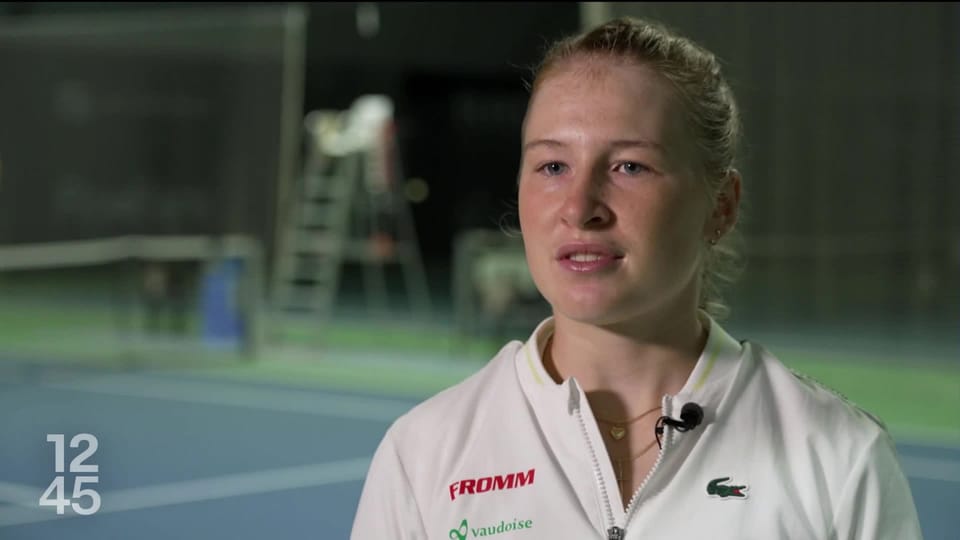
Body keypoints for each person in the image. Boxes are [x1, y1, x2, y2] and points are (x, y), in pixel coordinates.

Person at [351, 17, 923, 539]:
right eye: (553, 166)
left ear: (720, 205)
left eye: (629, 166)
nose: (580, 207)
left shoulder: (838, 458)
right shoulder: (424, 455)